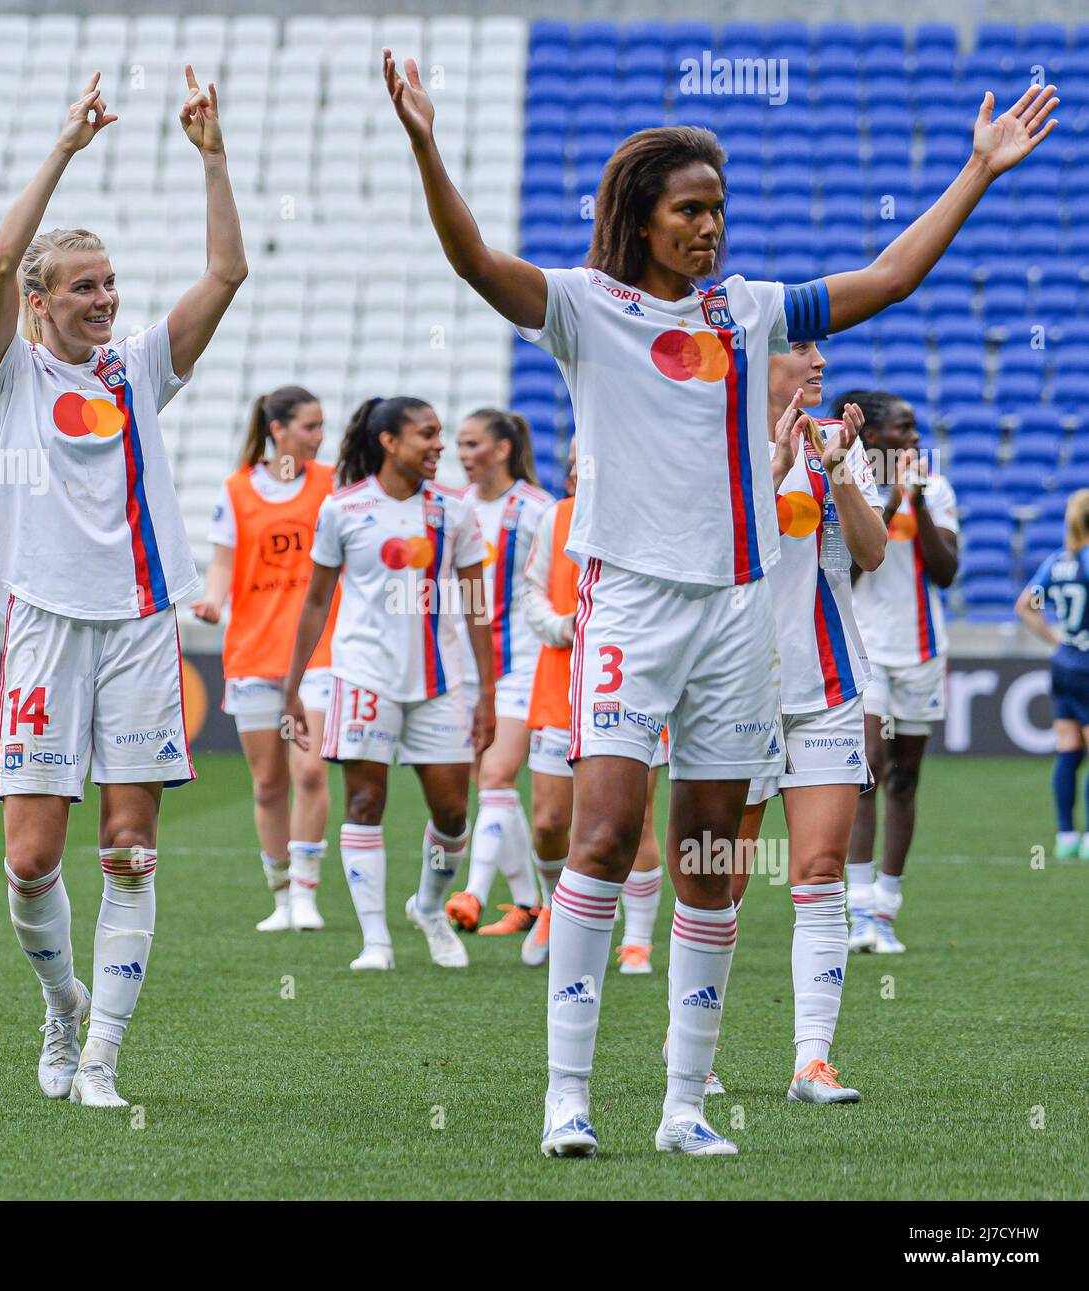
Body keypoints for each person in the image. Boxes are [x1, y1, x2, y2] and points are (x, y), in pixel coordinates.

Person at [384, 46, 1055, 1155]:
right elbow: (473, 262)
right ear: (641, 218)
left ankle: (684, 1104)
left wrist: (977, 171)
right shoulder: (583, 308)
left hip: (741, 620)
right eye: (690, 210)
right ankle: (567, 1097)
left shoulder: (750, 312)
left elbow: (887, 281)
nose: (710, 227)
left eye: (719, 209)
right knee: (600, 839)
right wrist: (424, 143)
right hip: (632, 610)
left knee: (708, 856)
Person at [0, 69, 247, 1107]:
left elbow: (226, 272)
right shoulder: (6, 377)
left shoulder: (137, 369)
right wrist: (64, 150)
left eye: (110, 283)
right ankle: (59, 1005)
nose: (105, 300)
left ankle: (101, 1061)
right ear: (41, 302)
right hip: (44, 625)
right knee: (33, 860)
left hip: (140, 624)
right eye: (83, 286)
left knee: (129, 850)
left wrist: (212, 155)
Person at [282, 397, 495, 970]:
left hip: (441, 682)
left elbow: (477, 605)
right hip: (364, 676)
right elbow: (317, 600)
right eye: (427, 434)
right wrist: (293, 683)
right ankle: (375, 940)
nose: (439, 445)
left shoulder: (456, 510)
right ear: (390, 442)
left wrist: (486, 694)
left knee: (452, 814)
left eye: (440, 434)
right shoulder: (343, 509)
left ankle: (427, 907)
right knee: (365, 801)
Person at [730, 344, 887, 1105]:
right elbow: (715, 536)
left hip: (826, 684)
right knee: (720, 877)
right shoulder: (710, 431)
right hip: (732, 687)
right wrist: (772, 454)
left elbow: (872, 552)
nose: (819, 358)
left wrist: (840, 469)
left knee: (820, 872)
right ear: (761, 357)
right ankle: (687, 1042)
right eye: (799, 345)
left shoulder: (832, 443)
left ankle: (811, 1062)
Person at [192, 386, 340, 931]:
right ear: (277, 429)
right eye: (310, 426)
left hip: (318, 653)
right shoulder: (236, 490)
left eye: (322, 426)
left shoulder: (330, 485)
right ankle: (280, 896)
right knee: (268, 783)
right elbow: (223, 564)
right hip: (254, 653)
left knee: (309, 769)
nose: (319, 436)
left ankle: (306, 892)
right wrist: (213, 600)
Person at [522, 440, 668, 974]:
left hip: (633, 687)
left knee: (637, 819)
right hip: (559, 686)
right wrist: (561, 627)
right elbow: (531, 591)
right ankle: (552, 907)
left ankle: (637, 939)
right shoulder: (553, 520)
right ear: (570, 478)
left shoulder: (651, 517)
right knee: (549, 820)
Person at [844, 391, 959, 954]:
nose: (914, 438)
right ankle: (858, 906)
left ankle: (887, 907)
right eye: (904, 428)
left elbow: (946, 573)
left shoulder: (936, 488)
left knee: (905, 780)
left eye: (915, 429)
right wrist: (891, 501)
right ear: (875, 436)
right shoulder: (854, 483)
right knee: (866, 768)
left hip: (921, 653)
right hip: (866, 650)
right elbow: (858, 567)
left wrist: (920, 500)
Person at [444, 408, 554, 936]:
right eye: (459, 446)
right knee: (489, 787)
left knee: (495, 774)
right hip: (465, 667)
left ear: (503, 449)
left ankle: (473, 891)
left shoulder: (537, 510)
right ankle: (530, 904)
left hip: (524, 663)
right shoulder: (453, 507)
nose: (463, 455)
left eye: (472, 444)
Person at [1016, 489, 1089, 859]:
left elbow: (1026, 605)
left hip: (1064, 662)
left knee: (1068, 749)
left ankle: (1065, 837)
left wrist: (1056, 638)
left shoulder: (1060, 560)